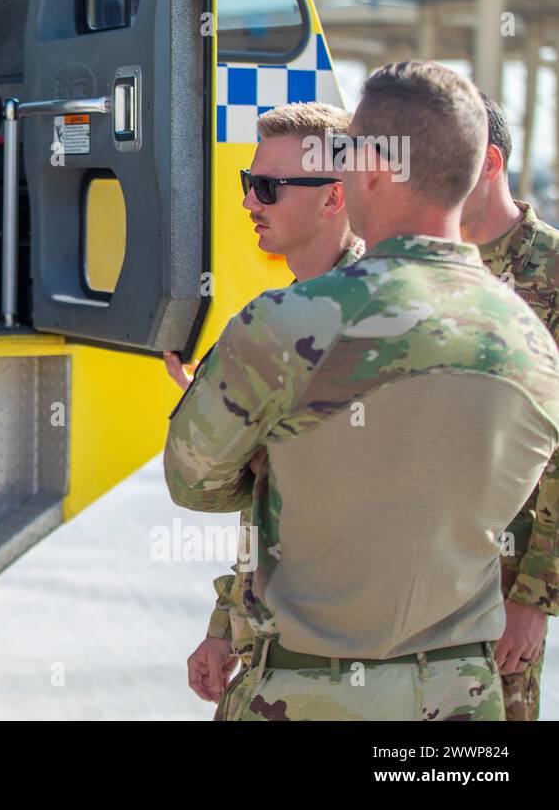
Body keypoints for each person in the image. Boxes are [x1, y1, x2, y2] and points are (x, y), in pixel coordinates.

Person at [165, 61, 559, 721]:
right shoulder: (529, 336)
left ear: (366, 171)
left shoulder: (286, 326)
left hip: (308, 691)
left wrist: (273, 449)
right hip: (462, 694)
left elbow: (195, 480)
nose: (252, 202)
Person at [165, 102, 362, 718]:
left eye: (268, 188)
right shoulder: (294, 315)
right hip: (279, 649)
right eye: (249, 184)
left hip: (331, 669)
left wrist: (226, 424)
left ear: (334, 198)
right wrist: (226, 623)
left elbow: (203, 484)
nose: (250, 202)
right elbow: (274, 496)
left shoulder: (354, 323)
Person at [460, 92, 559, 721]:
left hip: (506, 581)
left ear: (489, 162)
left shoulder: (551, 268)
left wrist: (535, 595)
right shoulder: (427, 267)